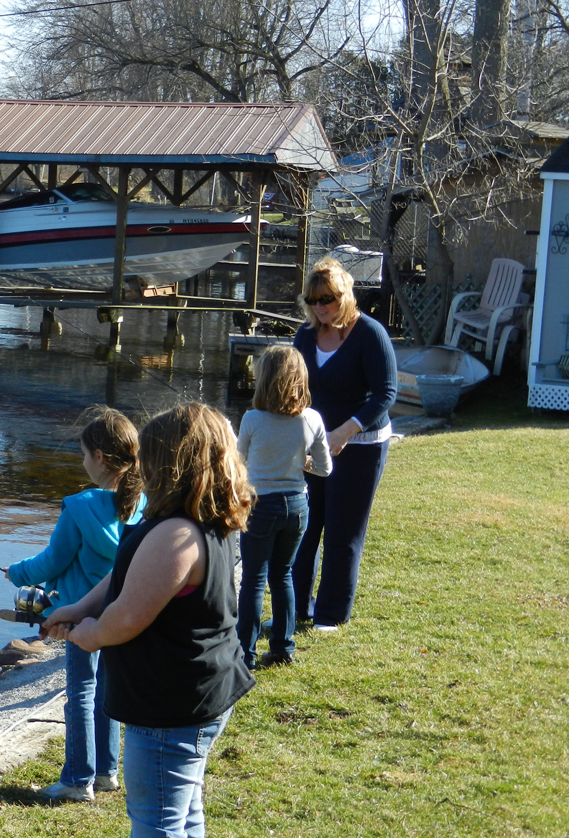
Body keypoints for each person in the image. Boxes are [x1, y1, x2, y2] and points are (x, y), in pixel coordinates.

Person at [43, 403, 255, 837]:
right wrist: (81, 607)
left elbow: (128, 616)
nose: (145, 466)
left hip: (171, 705)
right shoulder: (200, 520)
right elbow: (128, 576)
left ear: (173, 463)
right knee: (184, 814)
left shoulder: (177, 535)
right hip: (197, 693)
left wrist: (90, 635)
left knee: (156, 823)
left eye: (152, 455)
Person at [5, 406, 144, 803]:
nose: (83, 462)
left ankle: (76, 780)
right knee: (108, 689)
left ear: (100, 458)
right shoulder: (143, 505)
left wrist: (15, 572)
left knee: (81, 691)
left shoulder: (80, 507)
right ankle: (106, 773)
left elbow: (52, 561)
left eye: (84, 454)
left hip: (76, 616)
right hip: (121, 611)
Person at [292, 257, 397, 631]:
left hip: (362, 446)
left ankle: (331, 614)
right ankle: (296, 608)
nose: (321, 307)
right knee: (303, 527)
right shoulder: (306, 335)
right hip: (312, 447)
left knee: (342, 531)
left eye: (329, 299)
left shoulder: (369, 333)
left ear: (345, 295)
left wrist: (345, 431)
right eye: (314, 299)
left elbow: (386, 393)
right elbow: (293, 388)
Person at [236, 346, 332, 668]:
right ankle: (283, 648)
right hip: (297, 506)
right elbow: (325, 469)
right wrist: (302, 462)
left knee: (253, 579)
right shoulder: (312, 419)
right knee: (283, 575)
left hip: (260, 506)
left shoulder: (252, 419)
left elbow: (238, 463)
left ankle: (244, 654)